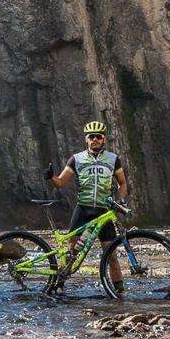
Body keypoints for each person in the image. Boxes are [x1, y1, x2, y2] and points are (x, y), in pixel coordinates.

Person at [44, 120, 128, 293]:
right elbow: (60, 183)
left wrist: (119, 201)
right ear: (86, 139)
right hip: (83, 209)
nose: (95, 139)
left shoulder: (113, 159)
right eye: (91, 137)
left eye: (98, 136)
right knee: (71, 252)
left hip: (104, 211)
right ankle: (59, 285)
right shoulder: (76, 159)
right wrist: (51, 176)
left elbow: (123, 183)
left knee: (111, 254)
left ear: (104, 139)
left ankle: (119, 292)